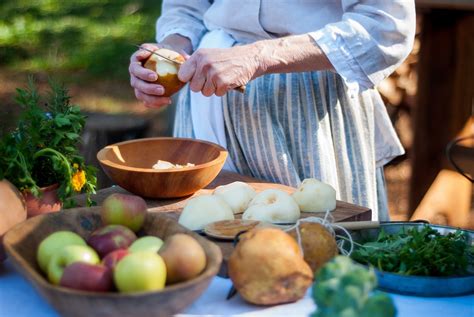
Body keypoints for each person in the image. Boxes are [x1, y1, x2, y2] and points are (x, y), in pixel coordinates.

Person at [129, 1, 416, 221]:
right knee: (205, 248)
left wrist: (259, 56)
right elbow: (186, 6)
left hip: (309, 106)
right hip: (206, 98)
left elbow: (384, 28)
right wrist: (170, 52)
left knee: (319, 247)